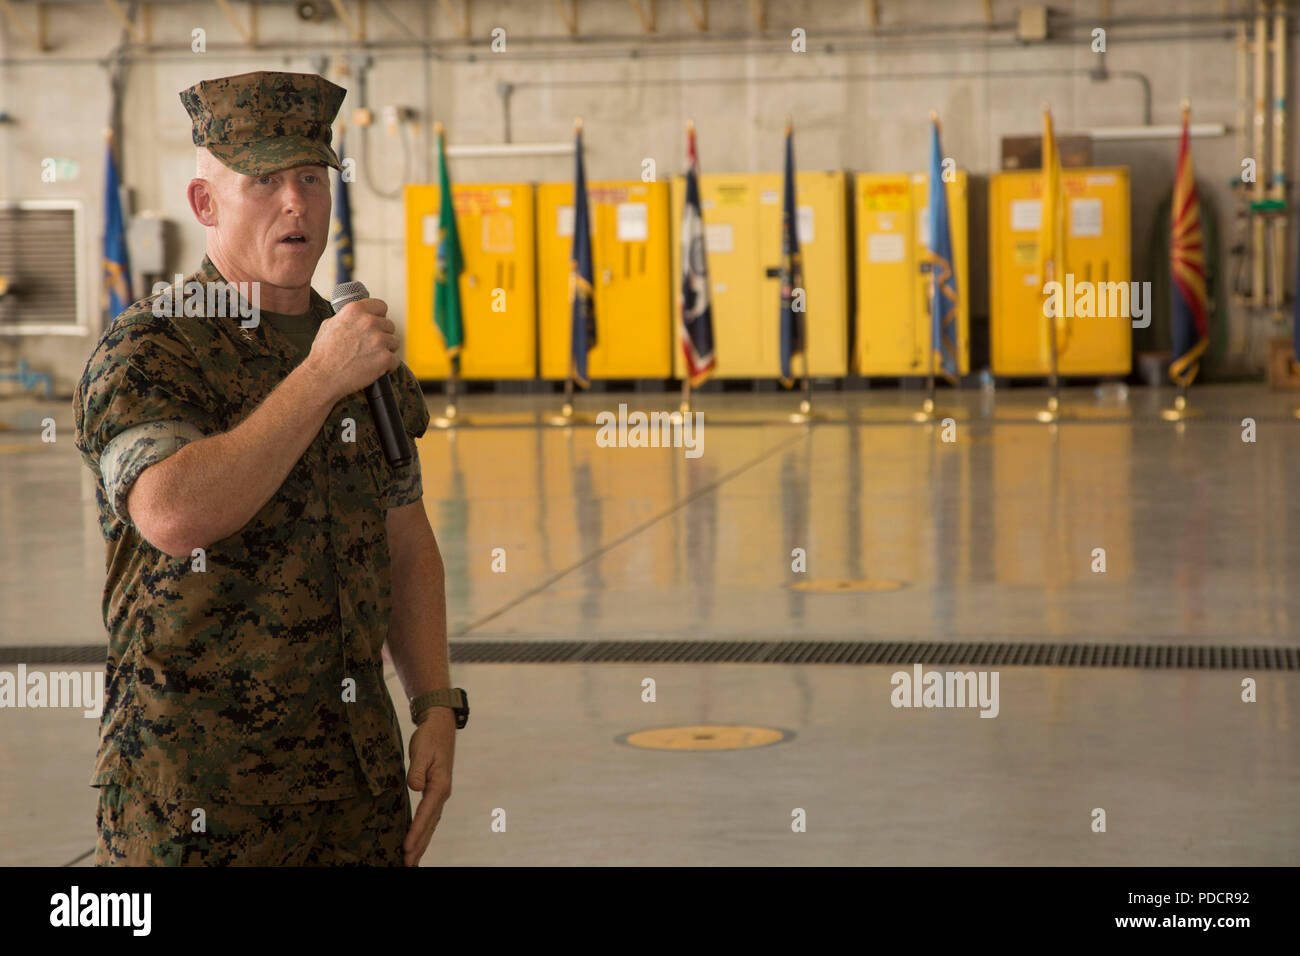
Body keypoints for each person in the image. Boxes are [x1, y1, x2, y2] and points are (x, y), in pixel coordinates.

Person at [73, 70, 468, 866]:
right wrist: (320, 379)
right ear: (206, 204)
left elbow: (405, 538)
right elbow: (173, 515)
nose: (296, 203)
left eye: (312, 179)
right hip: (195, 793)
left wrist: (433, 704)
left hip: (352, 786)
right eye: (264, 182)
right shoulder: (154, 346)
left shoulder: (362, 348)